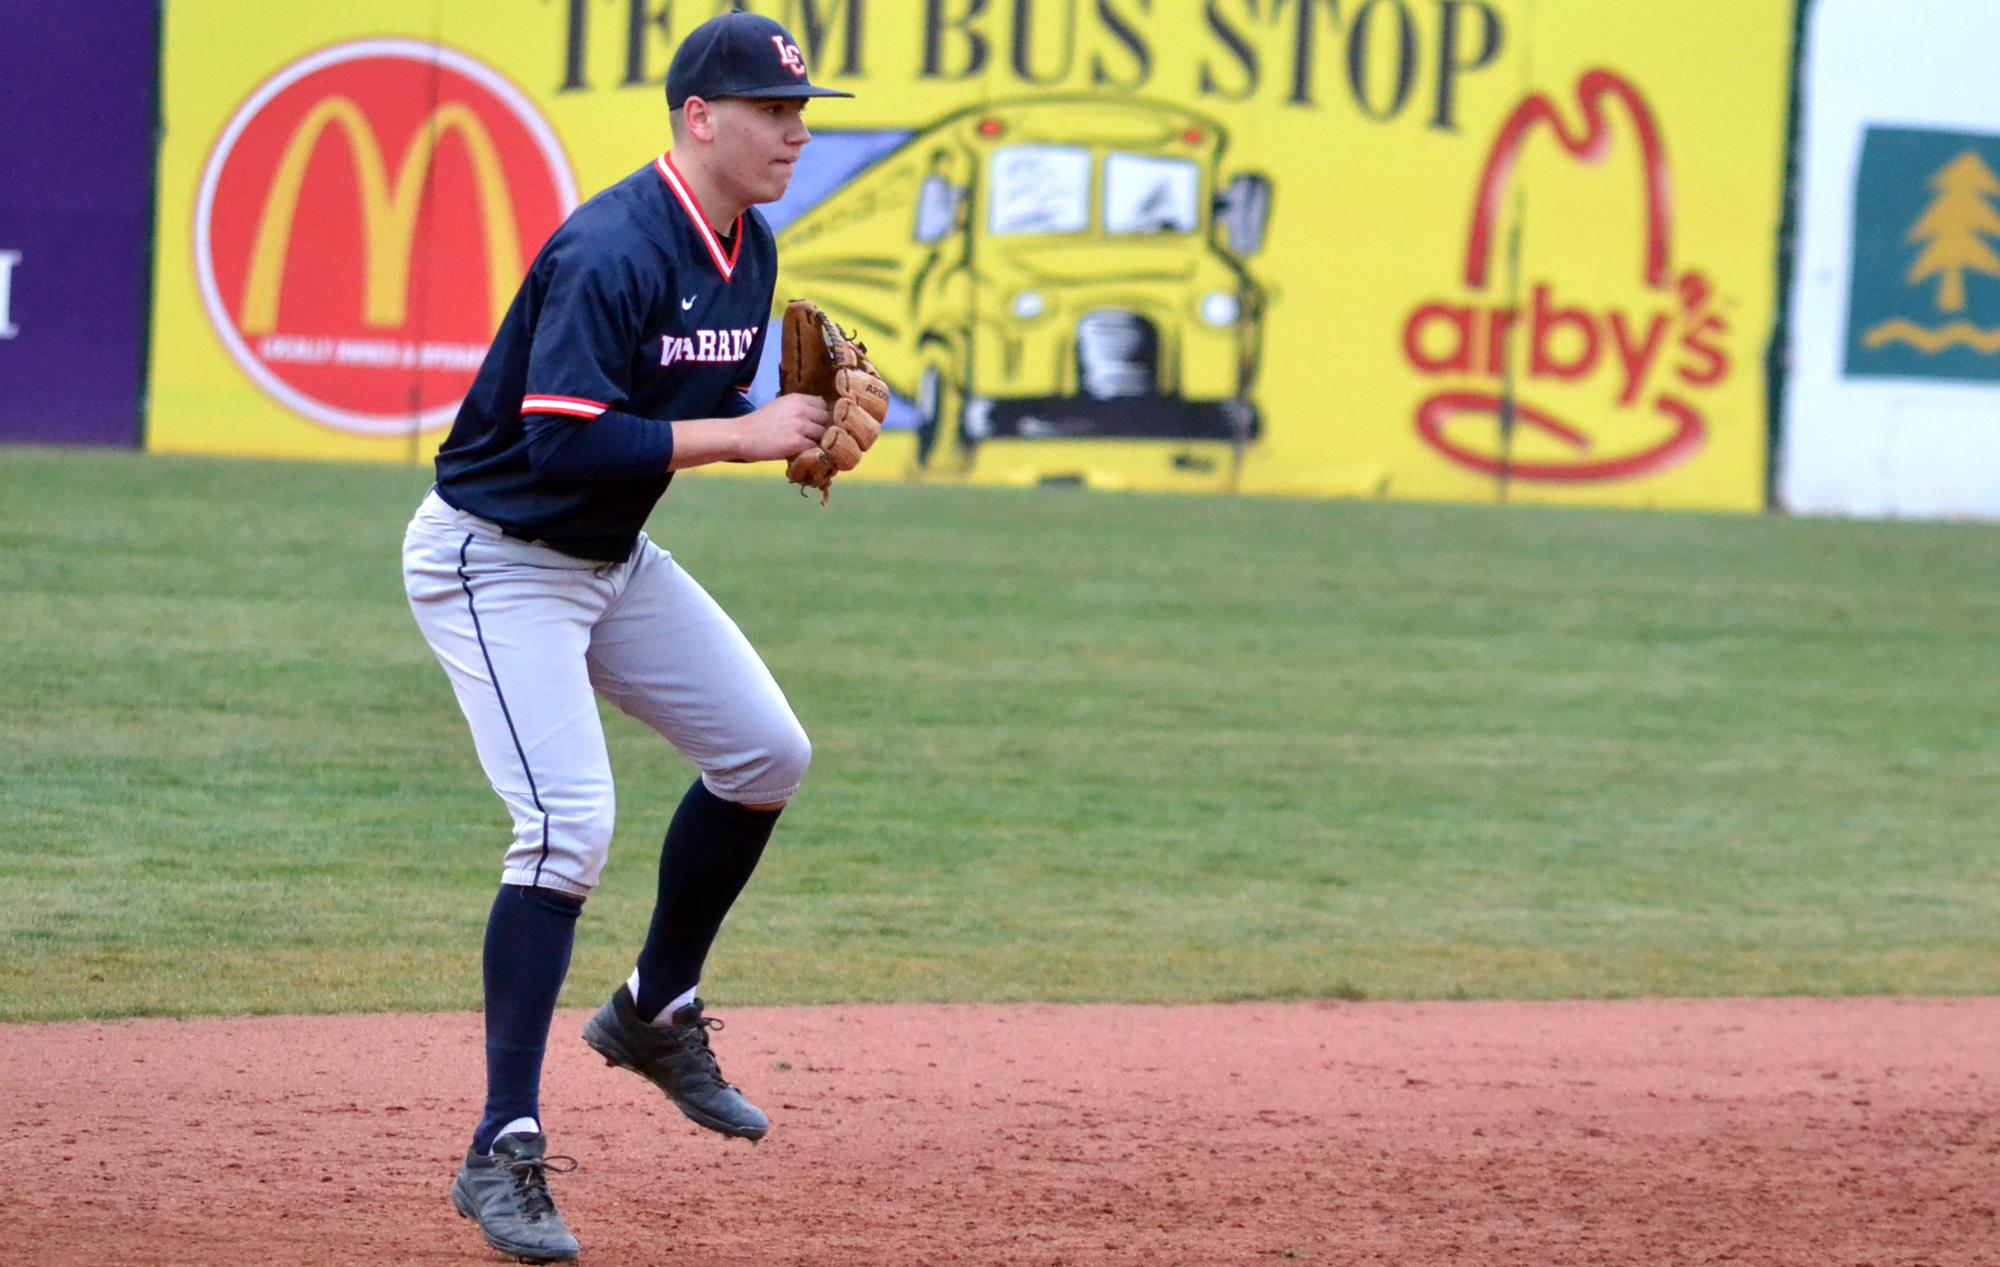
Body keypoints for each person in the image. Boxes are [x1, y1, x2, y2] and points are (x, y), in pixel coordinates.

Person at [399, 13, 852, 1263]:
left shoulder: (747, 248)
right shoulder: (610, 245)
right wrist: (746, 433)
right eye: (770, 110)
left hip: (606, 558)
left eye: (801, 110)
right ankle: (501, 1143)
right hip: (495, 556)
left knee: (765, 751)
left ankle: (654, 1007)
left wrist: (787, 429)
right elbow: (563, 439)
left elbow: (685, 418)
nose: (795, 132)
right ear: (698, 116)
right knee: (565, 826)